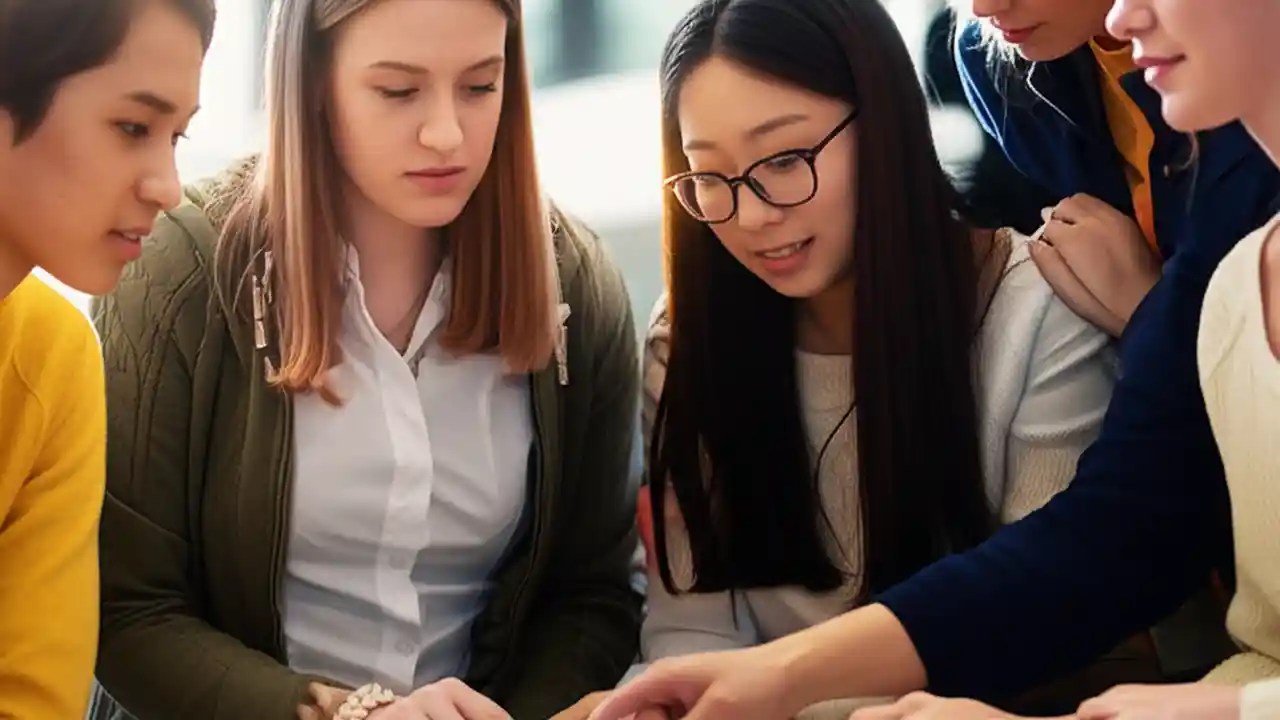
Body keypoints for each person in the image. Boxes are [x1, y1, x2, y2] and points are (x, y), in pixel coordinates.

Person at [588, 0, 1280, 717]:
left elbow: (1113, 552)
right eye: (711, 175)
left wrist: (1154, 327)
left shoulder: (1047, 302)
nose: (756, 213)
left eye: (788, 160)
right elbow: (1123, 529)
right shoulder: (1013, 74)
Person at [89, 1, 642, 719]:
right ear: (312, 84)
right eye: (398, 91)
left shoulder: (572, 284)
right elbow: (127, 611)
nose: (447, 132)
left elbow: (593, 594)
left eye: (481, 86)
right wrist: (357, 714)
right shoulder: (181, 270)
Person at [852, 0, 1280, 717]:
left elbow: (1154, 501)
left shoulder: (1232, 165)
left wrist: (1154, 318)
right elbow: (1135, 510)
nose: (1122, 16)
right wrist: (777, 672)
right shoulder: (1010, 75)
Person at [0, 1, 212, 717]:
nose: (168, 186)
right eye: (132, 128)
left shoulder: (54, 359)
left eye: (176, 136)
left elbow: (35, 699)